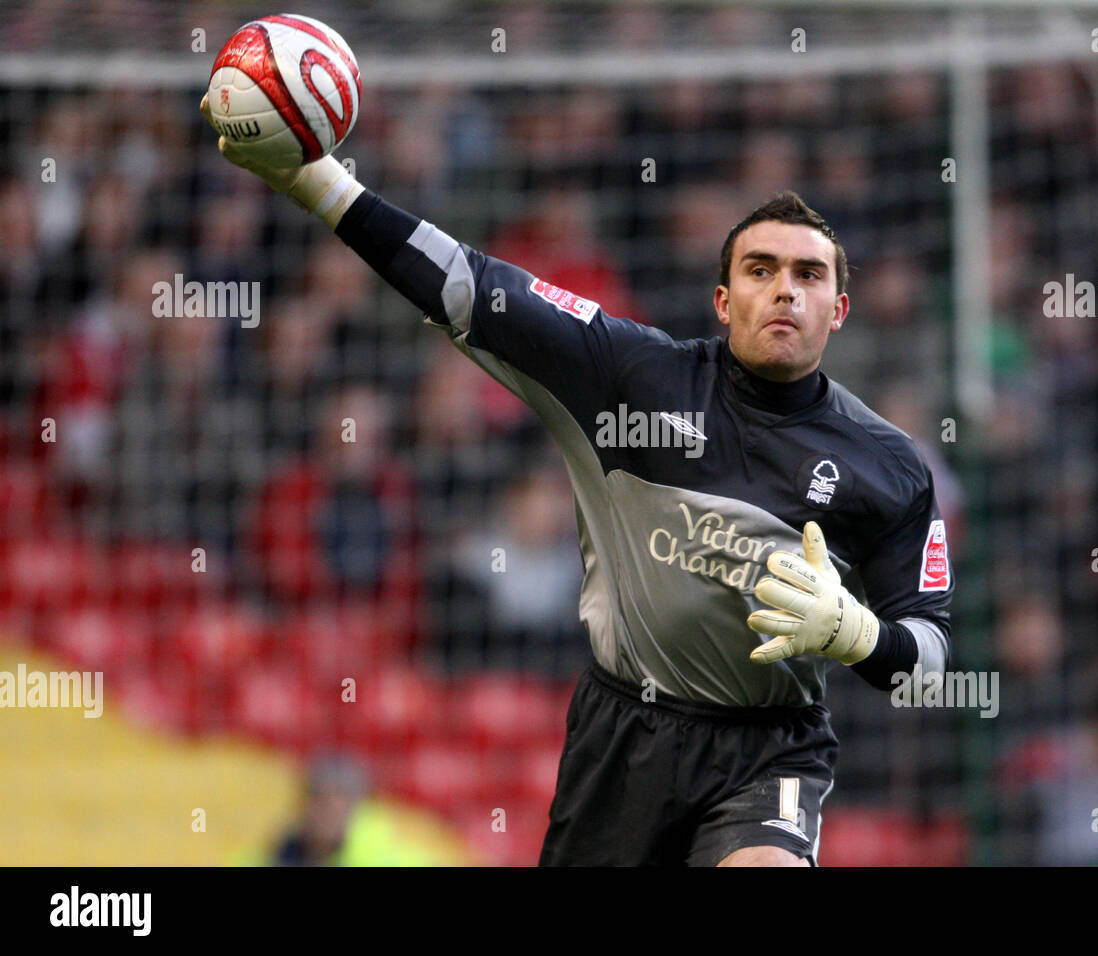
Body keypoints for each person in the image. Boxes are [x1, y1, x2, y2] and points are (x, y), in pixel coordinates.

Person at [200, 96, 954, 866]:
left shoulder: (889, 465)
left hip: (771, 748)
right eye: (760, 270)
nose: (786, 289)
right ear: (724, 302)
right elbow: (464, 282)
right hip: (622, 733)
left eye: (808, 274)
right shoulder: (630, 375)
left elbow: (930, 665)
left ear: (840, 308)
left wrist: (859, 635)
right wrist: (313, 180)